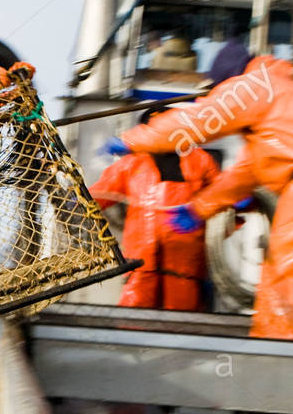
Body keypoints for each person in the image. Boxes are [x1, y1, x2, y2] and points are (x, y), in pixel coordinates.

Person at [105, 55, 293, 353]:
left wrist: (135, 139)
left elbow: (196, 121)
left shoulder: (253, 85)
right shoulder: (289, 102)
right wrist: (200, 208)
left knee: (285, 286)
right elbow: (246, 173)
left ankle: (270, 364)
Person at [90, 117, 219, 310]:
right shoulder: (132, 162)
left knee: (182, 322)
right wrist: (72, 201)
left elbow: (224, 196)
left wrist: (242, 201)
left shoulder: (200, 160)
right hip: (142, 263)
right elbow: (99, 194)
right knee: (135, 319)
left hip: (186, 266)